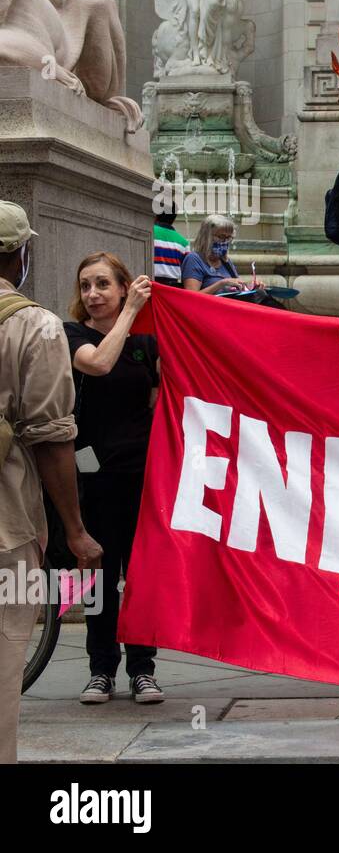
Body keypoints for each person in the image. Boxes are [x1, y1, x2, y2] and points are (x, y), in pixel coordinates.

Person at [0, 202, 103, 763]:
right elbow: (53, 439)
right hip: (7, 526)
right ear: (21, 255)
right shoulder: (35, 326)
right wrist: (75, 530)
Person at [64, 253, 164, 705]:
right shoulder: (73, 335)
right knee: (101, 576)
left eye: (103, 284)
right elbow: (100, 364)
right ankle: (100, 670)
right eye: (86, 286)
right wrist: (130, 313)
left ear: (124, 286)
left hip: (144, 475)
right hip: (94, 475)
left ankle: (143, 670)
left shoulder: (147, 341)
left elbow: (163, 397)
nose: (93, 294)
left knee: (142, 576)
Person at [180, 214, 245, 295]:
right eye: (221, 236)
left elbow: (239, 287)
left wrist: (251, 286)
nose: (225, 241)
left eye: (229, 238)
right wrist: (221, 284)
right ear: (207, 237)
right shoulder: (194, 259)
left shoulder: (226, 262)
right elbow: (191, 297)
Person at [152, 201, 189, 286]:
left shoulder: (149, 232)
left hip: (150, 283)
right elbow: (186, 270)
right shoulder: (183, 242)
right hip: (172, 286)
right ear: (174, 217)